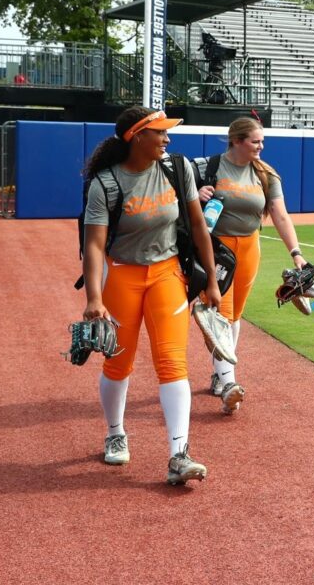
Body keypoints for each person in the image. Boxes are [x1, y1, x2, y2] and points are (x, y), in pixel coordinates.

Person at [80, 106, 223, 485]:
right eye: (160, 132)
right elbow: (93, 246)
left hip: (167, 274)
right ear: (137, 137)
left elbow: (197, 224)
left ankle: (179, 454)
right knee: (118, 364)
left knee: (173, 362)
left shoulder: (177, 169)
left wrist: (211, 279)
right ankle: (115, 431)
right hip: (123, 276)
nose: (167, 139)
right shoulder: (106, 184)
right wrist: (94, 298)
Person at [194, 116, 314, 415]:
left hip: (249, 249)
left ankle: (221, 373)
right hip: (215, 250)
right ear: (236, 140)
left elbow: (280, 214)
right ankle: (229, 383)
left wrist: (297, 254)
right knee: (218, 312)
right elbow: (174, 198)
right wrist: (195, 196)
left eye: (262, 141)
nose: (261, 146)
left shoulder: (265, 173)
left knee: (234, 317)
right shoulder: (206, 167)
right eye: (255, 141)